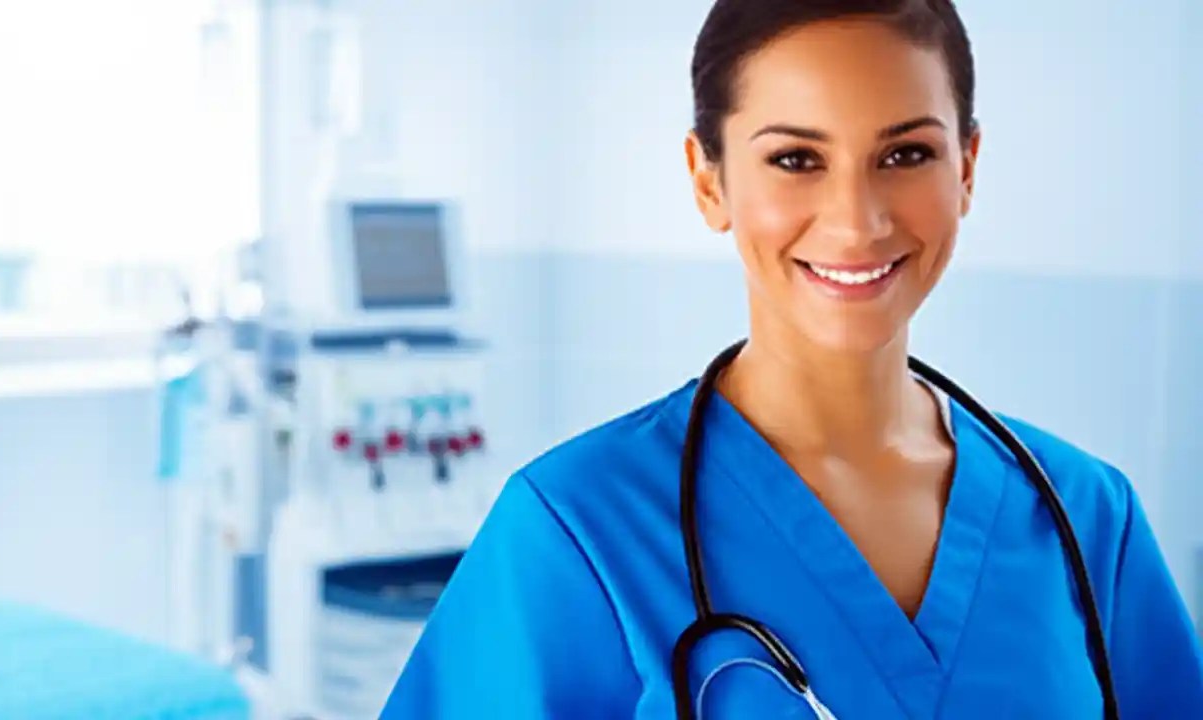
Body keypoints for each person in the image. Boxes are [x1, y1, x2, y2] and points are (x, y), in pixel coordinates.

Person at [380, 1, 1203, 717]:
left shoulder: (1084, 517)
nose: (857, 220)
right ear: (710, 183)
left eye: (906, 153)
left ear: (968, 169)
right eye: (796, 160)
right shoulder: (579, 528)